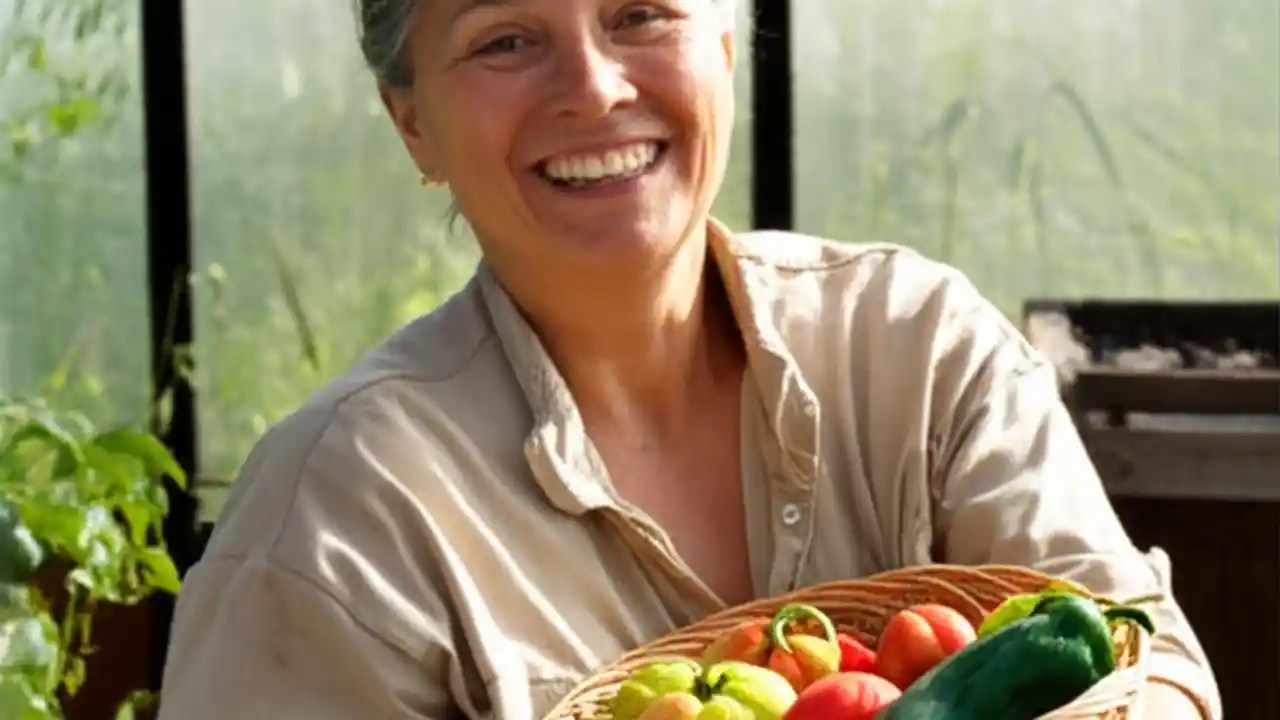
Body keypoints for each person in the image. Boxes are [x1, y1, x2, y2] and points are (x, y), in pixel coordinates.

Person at [156, 1, 1221, 718]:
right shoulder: (335, 518)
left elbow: (1153, 671)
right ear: (412, 126)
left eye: (638, 13)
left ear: (723, 40)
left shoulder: (914, 349)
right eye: (504, 39)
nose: (593, 88)